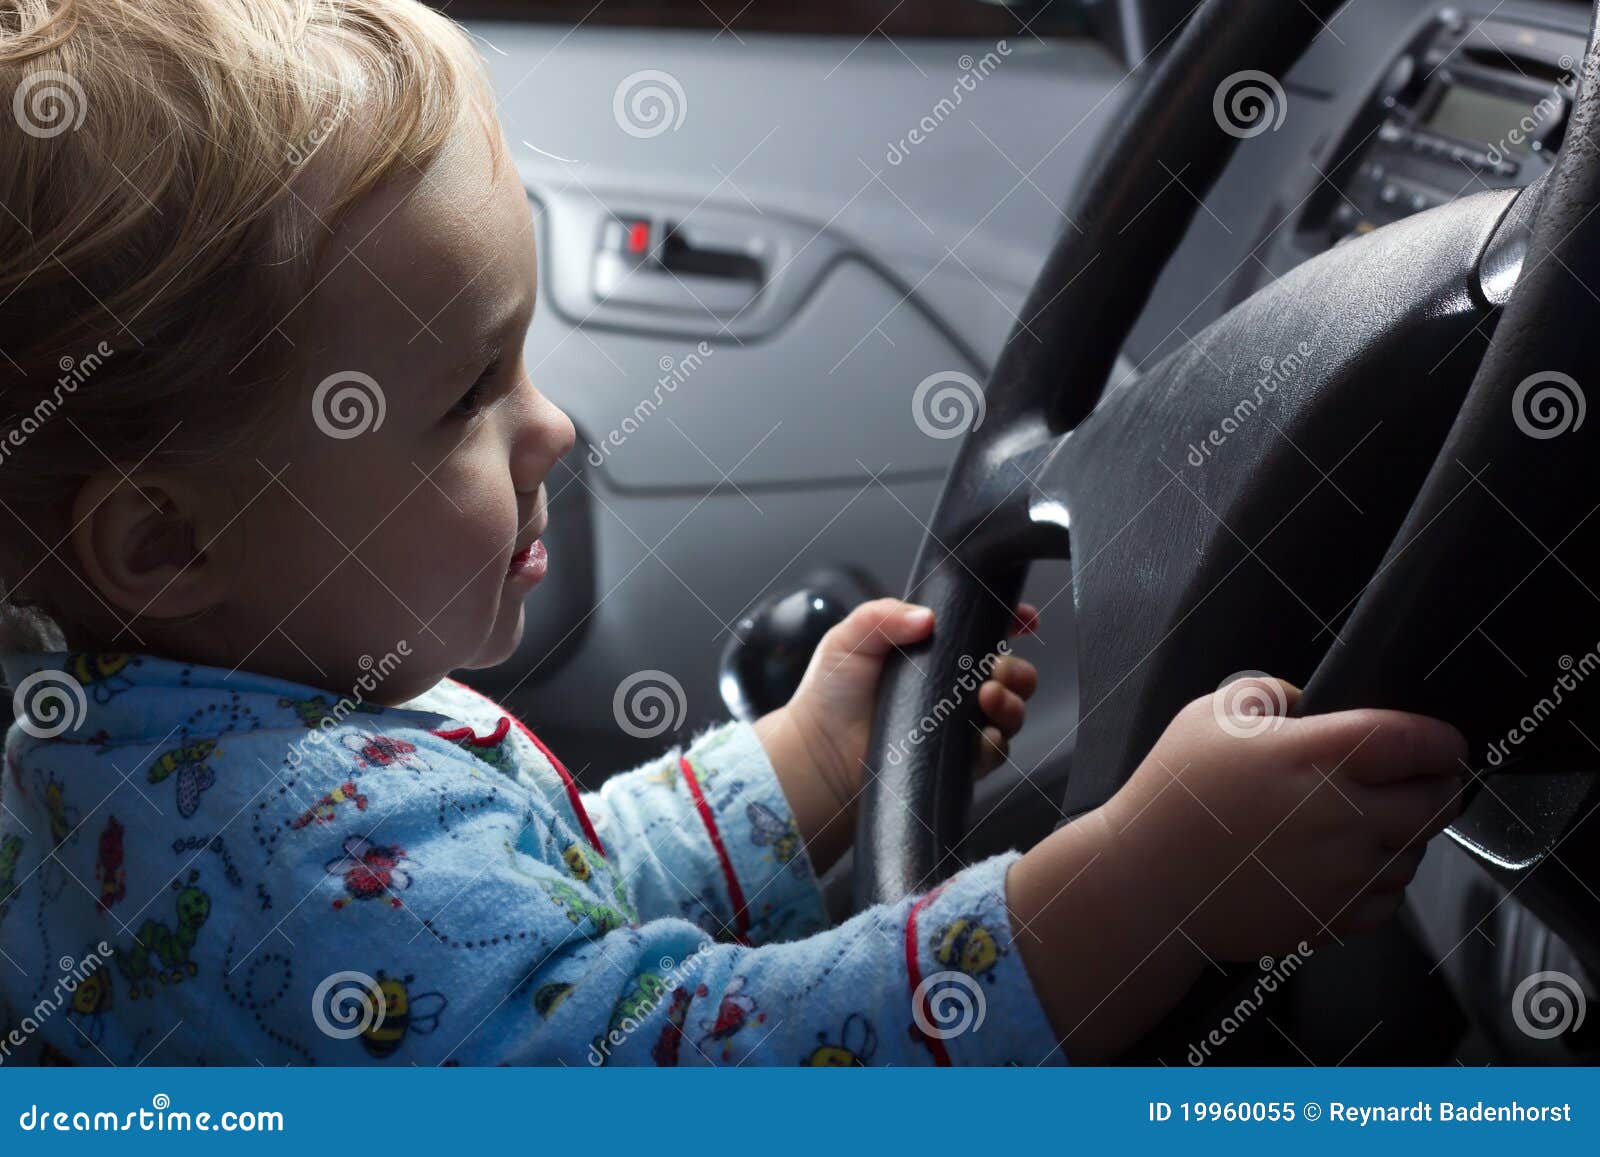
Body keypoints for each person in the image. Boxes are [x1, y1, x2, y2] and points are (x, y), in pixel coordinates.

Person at [0, 0, 1466, 1066]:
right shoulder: (307, 859)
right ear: (163, 545)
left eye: (517, 362)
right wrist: (1149, 881)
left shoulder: (170, 742)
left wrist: (801, 767)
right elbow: (707, 1066)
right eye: (460, 399)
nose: (552, 428)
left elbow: (541, 910)